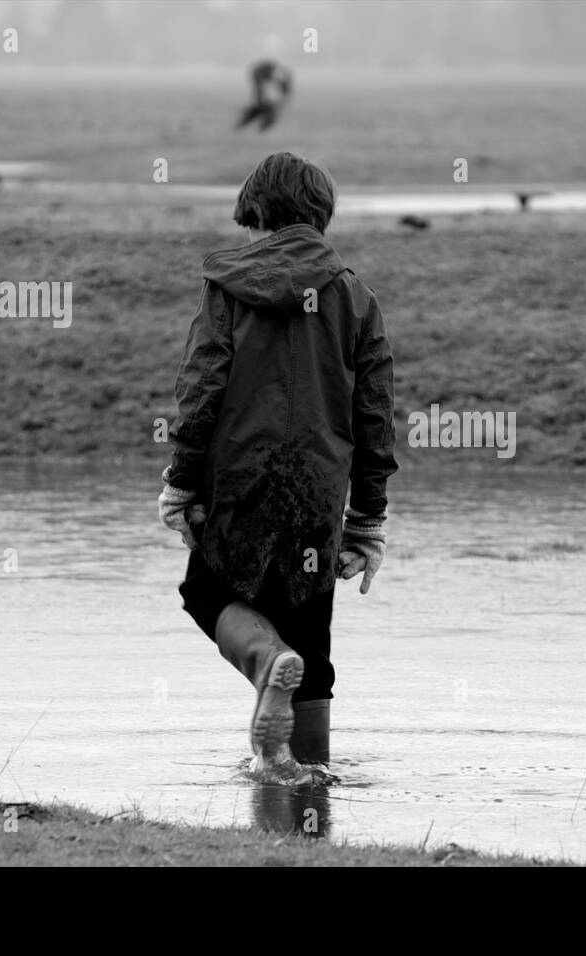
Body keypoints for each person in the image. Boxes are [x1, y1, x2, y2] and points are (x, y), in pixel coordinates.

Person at [158, 152, 397, 783]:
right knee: (310, 644)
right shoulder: (355, 298)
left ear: (257, 213)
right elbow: (375, 417)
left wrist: (181, 479)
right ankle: (304, 789)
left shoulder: (227, 291)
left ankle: (264, 662)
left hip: (238, 482)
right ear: (320, 214)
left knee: (206, 593)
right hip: (318, 492)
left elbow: (201, 389)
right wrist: (367, 519)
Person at [237, 60, 293, 131]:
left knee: (264, 101)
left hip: (265, 76)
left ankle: (259, 118)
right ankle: (259, 116)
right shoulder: (278, 74)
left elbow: (279, 86)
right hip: (261, 74)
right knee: (262, 101)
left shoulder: (280, 75)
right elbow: (263, 86)